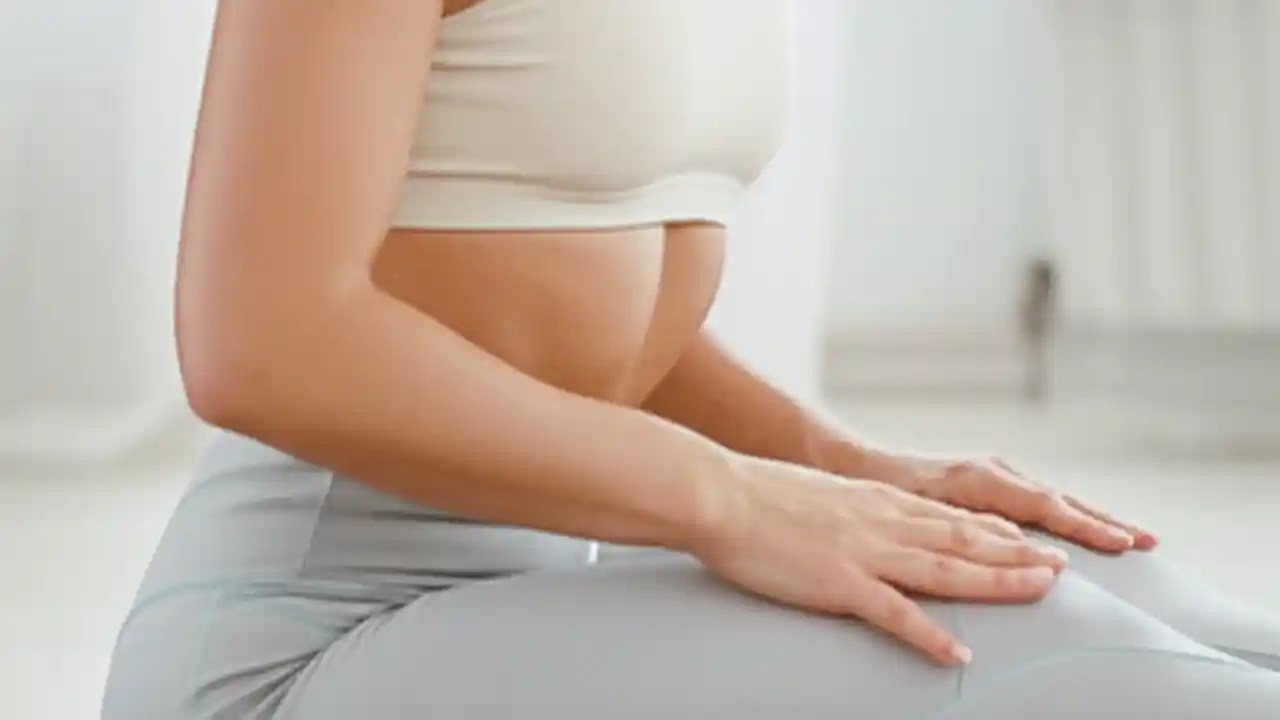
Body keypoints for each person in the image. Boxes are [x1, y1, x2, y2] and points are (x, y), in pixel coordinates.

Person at [103, 1, 1280, 717]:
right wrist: (729, 499)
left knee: (1090, 585)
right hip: (296, 647)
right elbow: (260, 339)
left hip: (529, 585)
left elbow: (554, 302)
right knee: (1058, 660)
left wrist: (842, 464)